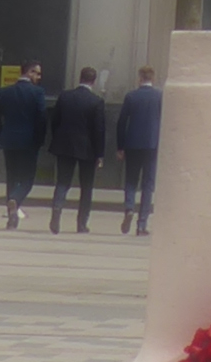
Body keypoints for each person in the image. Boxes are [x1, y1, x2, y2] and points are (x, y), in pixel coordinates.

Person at [46, 64, 108, 232]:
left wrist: (58, 139)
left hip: (64, 146)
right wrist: (100, 154)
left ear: (80, 78)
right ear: (93, 81)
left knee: (62, 182)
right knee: (86, 187)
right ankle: (81, 223)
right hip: (87, 150)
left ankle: (57, 208)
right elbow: (99, 130)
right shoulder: (96, 101)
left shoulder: (65, 97)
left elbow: (55, 121)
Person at [0, 62, 52, 229]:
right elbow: (42, 118)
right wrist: (39, 139)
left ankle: (12, 216)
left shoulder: (5, 92)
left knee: (11, 176)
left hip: (9, 141)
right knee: (27, 178)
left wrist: (2, 133)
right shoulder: (38, 93)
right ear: (29, 72)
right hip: (29, 142)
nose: (39, 77)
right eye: (37, 73)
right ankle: (16, 199)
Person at [116, 66, 162, 236]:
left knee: (130, 180)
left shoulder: (131, 96)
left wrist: (120, 146)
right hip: (152, 144)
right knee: (148, 185)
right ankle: (142, 224)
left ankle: (129, 207)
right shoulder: (159, 96)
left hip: (132, 144)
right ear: (153, 78)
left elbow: (122, 122)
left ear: (140, 78)